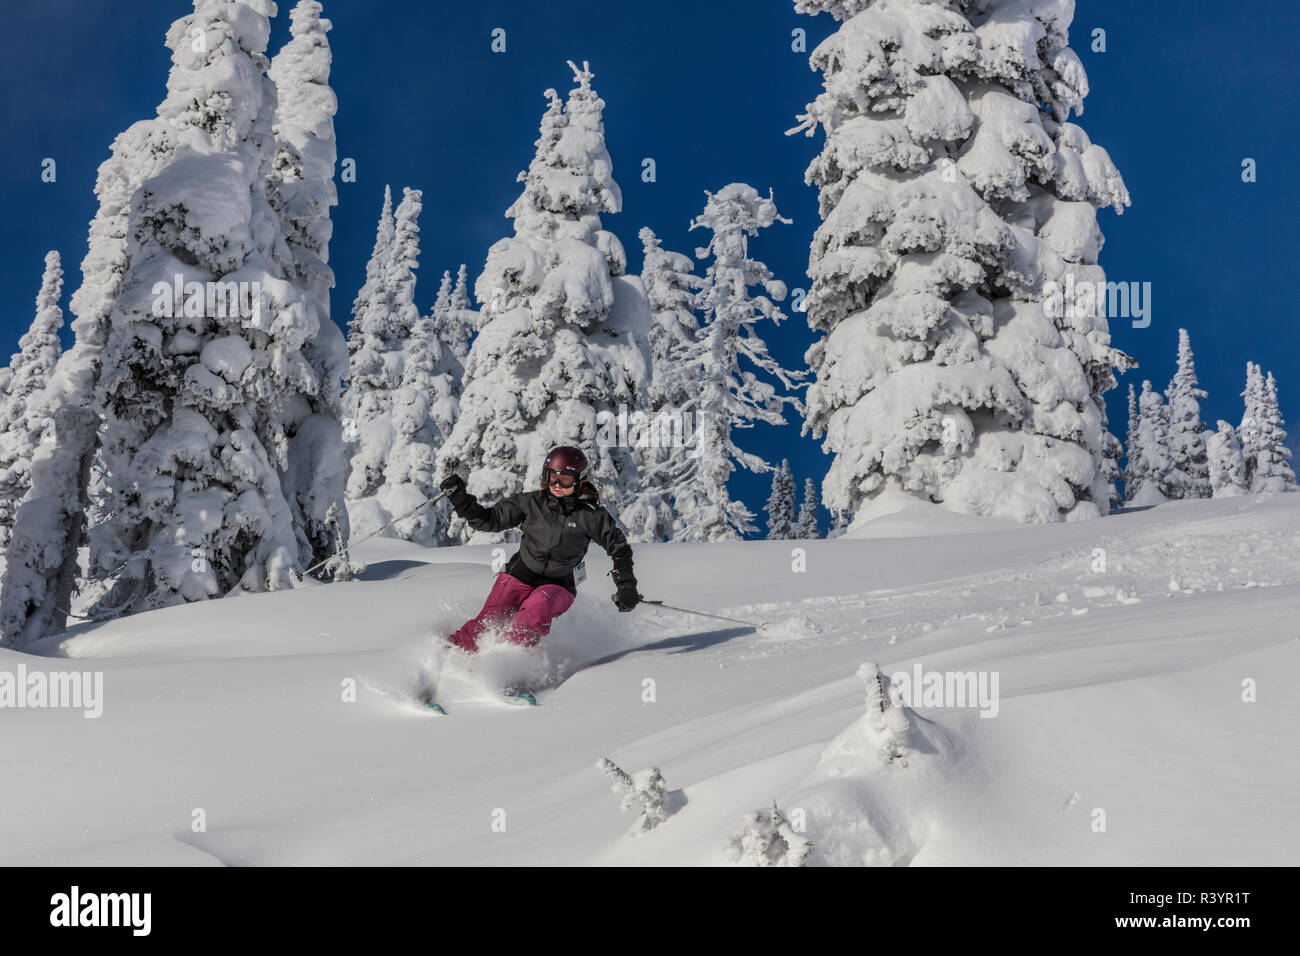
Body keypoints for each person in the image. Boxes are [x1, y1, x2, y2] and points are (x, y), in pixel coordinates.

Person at [439, 445, 641, 653]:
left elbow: (619, 548)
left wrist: (626, 584)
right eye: (552, 476)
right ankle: (450, 651)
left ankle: (509, 661)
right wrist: (462, 501)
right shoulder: (531, 503)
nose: (556, 484)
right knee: (490, 621)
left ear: (579, 480)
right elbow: (490, 520)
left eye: (565, 479)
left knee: (536, 610)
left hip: (559, 585)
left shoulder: (591, 516)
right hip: (519, 574)